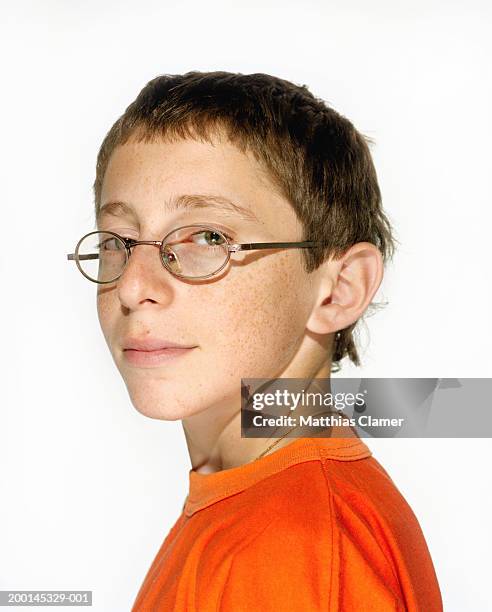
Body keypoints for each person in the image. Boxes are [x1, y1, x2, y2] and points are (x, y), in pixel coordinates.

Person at [67, 71, 443, 610]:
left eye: (208, 237)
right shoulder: (249, 504)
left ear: (339, 289)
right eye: (117, 241)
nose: (132, 285)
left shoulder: (292, 544)